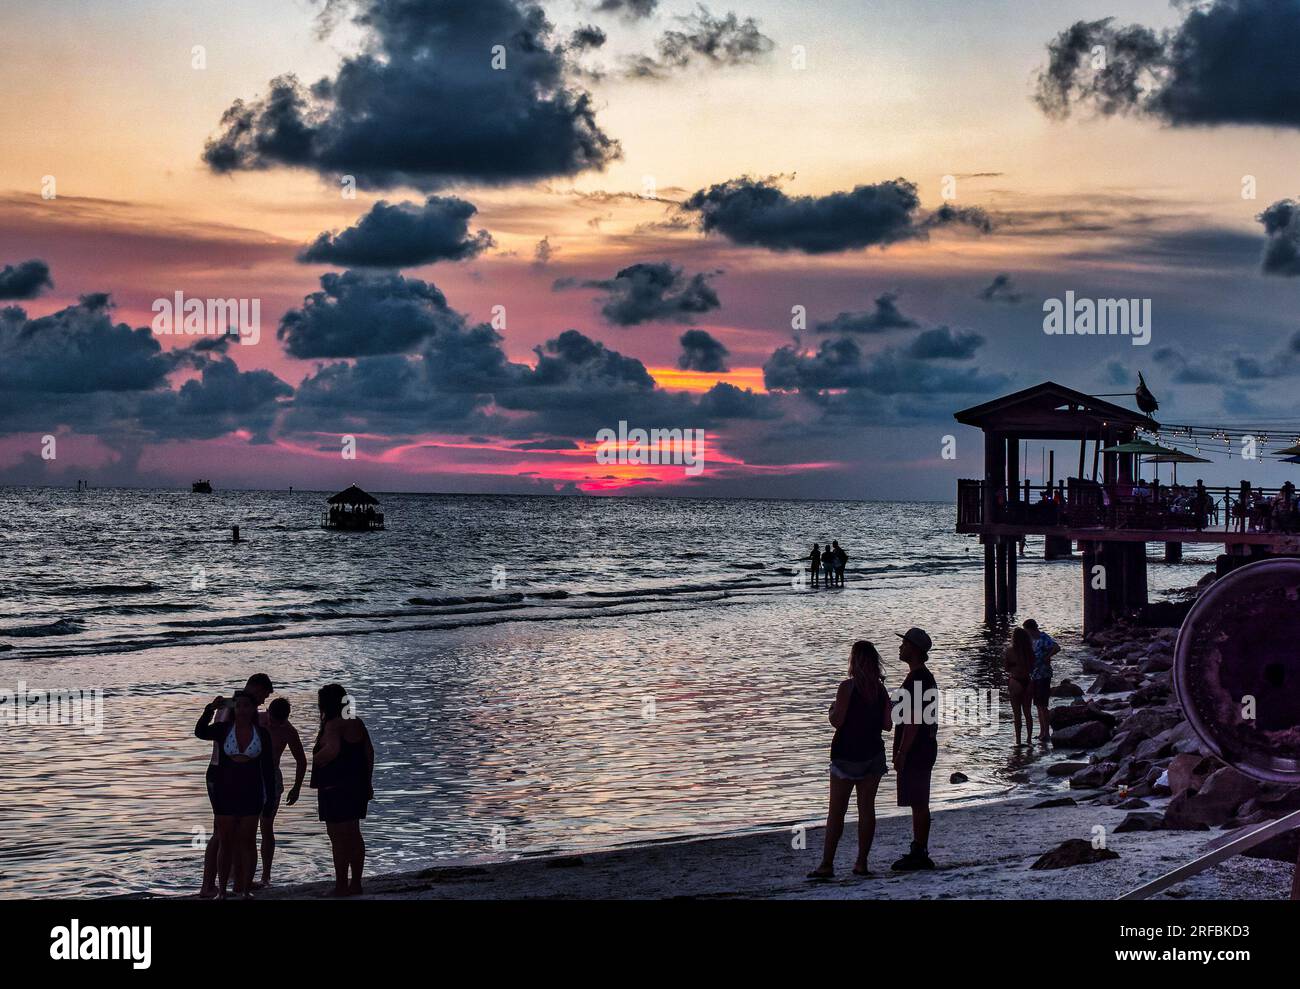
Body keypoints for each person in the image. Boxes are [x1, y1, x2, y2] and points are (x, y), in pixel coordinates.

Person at [807, 641, 892, 879]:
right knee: (866, 810)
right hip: (873, 754)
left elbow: (838, 721)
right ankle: (861, 863)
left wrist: (831, 710)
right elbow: (887, 725)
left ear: (854, 661)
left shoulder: (847, 687)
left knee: (837, 812)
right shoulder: (880, 690)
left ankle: (827, 864)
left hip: (846, 756)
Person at [195, 690, 277, 899]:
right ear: (234, 709)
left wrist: (270, 798)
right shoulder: (223, 729)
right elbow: (200, 732)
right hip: (225, 790)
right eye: (238, 705)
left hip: (252, 792)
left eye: (246, 706)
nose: (242, 709)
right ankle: (221, 891)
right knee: (226, 840)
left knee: (248, 841)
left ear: (253, 709)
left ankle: (246, 890)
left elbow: (268, 768)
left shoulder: (262, 734)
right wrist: (210, 709)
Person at [311, 683, 375, 897]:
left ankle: (340, 885)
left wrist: (316, 759)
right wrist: (368, 781)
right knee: (354, 835)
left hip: (335, 788)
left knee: (338, 837)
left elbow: (332, 750)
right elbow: (369, 752)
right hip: (357, 786)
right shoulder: (356, 722)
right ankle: (356, 883)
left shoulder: (332, 725)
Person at [891, 627, 938, 871]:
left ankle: (919, 850)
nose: (901, 647)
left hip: (918, 749)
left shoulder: (917, 679)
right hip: (924, 746)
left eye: (905, 644)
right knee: (919, 800)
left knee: (918, 801)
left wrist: (902, 752)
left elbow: (914, 719)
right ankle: (919, 847)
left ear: (915, 650)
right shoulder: (921, 678)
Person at [256, 696, 307, 890]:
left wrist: (296, 788)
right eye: (271, 720)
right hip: (249, 776)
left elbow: (301, 760)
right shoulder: (256, 719)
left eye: (277, 722)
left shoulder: (288, 731)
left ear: (285, 719)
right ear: (267, 712)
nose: (272, 725)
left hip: (272, 778)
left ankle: (266, 876)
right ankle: (239, 872)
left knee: (266, 826)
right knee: (244, 826)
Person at [1023, 619, 1059, 743]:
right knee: (1038, 704)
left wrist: (1046, 657)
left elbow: (1056, 647)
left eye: (1026, 631)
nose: (1026, 633)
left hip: (1044, 675)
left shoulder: (1043, 637)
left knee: (1043, 704)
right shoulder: (1031, 640)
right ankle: (1042, 731)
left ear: (1031, 629)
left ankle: (1047, 733)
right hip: (1034, 675)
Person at [1003, 627, 1035, 746]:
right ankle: (1029, 740)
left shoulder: (1009, 651)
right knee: (1028, 713)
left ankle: (1018, 741)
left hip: (1015, 681)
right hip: (1027, 681)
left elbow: (1006, 668)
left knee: (1017, 715)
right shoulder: (1030, 651)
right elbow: (1032, 668)